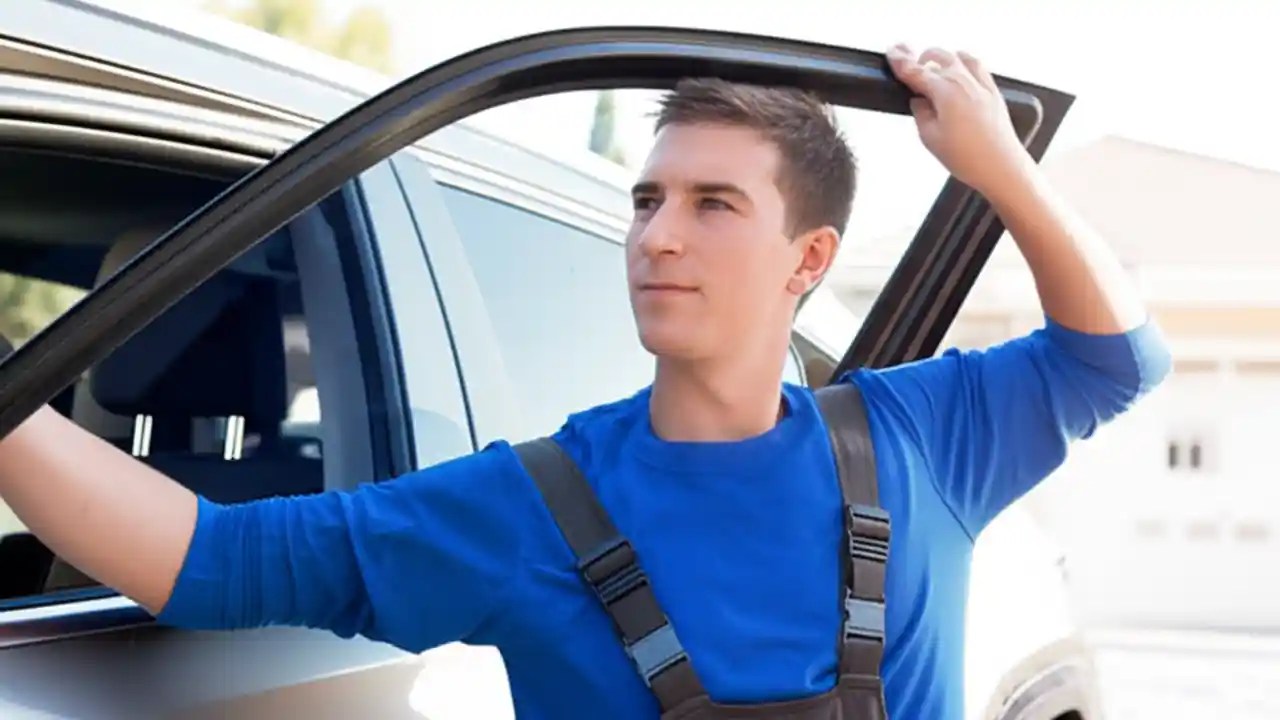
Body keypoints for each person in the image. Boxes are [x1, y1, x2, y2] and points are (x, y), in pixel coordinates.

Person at [0, 44, 1170, 719]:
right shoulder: (523, 506)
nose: (658, 235)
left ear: (808, 259)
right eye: (647, 200)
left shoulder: (926, 434)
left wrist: (998, 171)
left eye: (713, 205)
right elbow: (212, 562)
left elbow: (1116, 357)